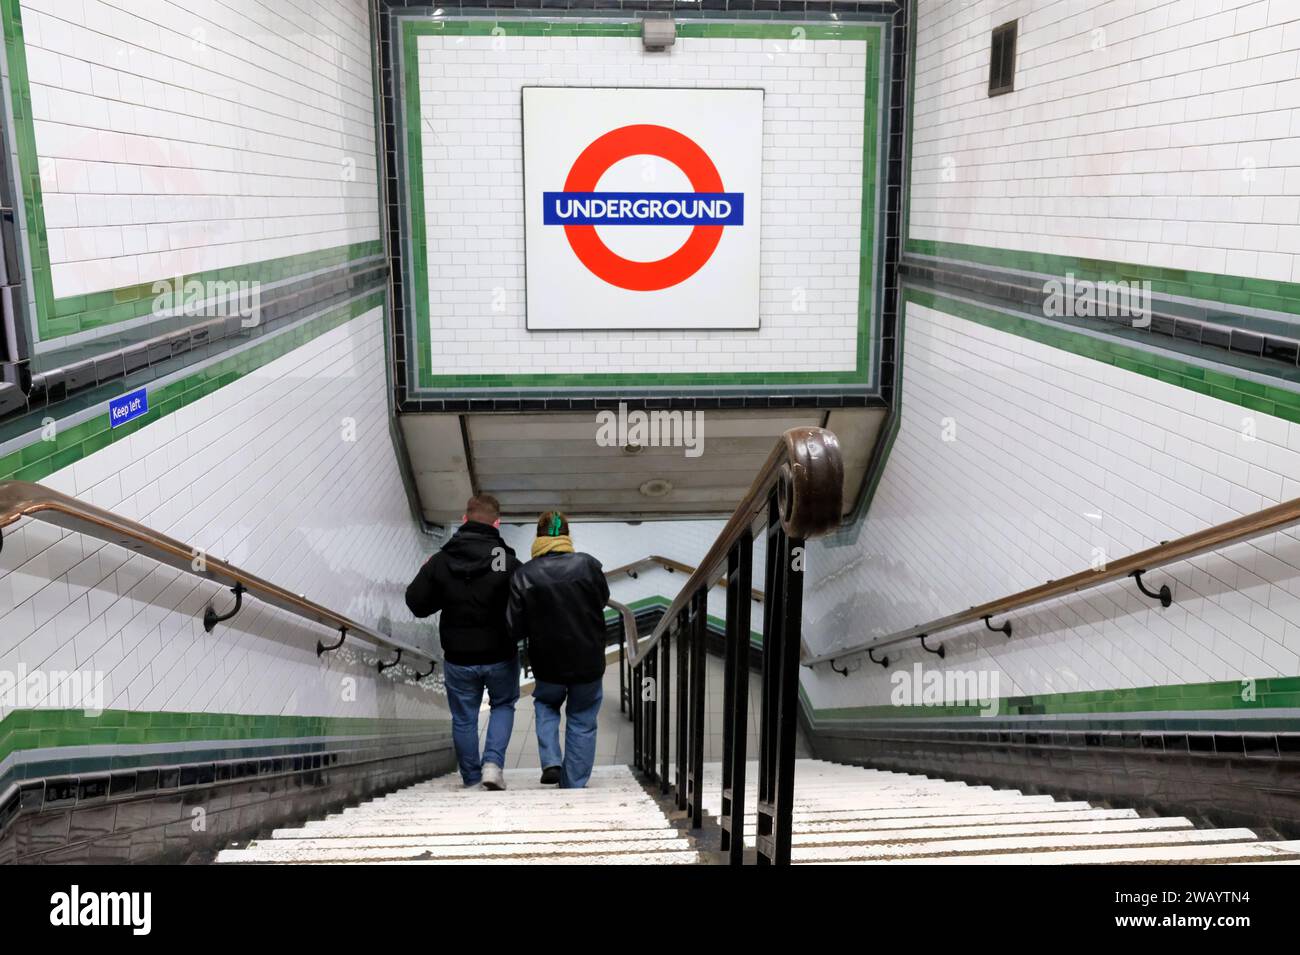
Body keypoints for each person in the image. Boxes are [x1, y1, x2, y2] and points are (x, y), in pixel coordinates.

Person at [406, 494, 522, 791]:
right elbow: (525, 604)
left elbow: (417, 604)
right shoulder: (504, 560)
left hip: (458, 656)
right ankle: (493, 766)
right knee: (503, 705)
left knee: (464, 716)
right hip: (500, 653)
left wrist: (435, 577)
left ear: (464, 520)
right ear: (497, 523)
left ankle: (470, 777)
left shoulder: (443, 560)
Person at [507, 511, 610, 788]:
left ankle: (552, 761)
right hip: (587, 660)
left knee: (546, 704)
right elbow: (602, 599)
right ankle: (574, 784)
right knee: (582, 719)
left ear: (539, 537)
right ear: (567, 535)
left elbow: (514, 625)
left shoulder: (523, 575)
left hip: (547, 662)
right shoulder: (588, 566)